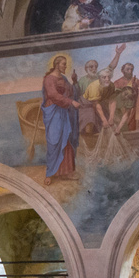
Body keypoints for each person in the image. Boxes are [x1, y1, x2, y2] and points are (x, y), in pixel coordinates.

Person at [41, 54, 81, 185]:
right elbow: (53, 95)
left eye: (66, 64)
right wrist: (70, 102)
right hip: (53, 112)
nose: (66, 66)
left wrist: (74, 82)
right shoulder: (48, 79)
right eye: (64, 64)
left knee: (66, 140)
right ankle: (50, 173)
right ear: (57, 65)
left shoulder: (63, 78)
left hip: (63, 112)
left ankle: (67, 172)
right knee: (54, 142)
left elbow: (72, 93)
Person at [113, 62, 139, 131]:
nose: (130, 71)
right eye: (127, 69)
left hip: (134, 107)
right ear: (122, 71)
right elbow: (114, 96)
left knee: (132, 126)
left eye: (131, 69)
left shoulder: (136, 81)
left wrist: (136, 89)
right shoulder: (117, 82)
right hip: (122, 107)